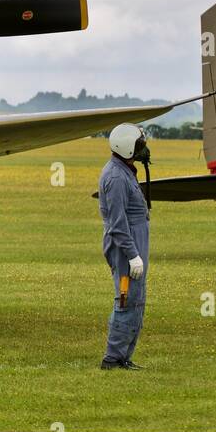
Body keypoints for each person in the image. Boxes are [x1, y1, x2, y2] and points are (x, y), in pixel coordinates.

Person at [98, 123, 151, 370]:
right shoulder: (117, 177)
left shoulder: (125, 170)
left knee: (136, 298)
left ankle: (124, 357)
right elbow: (118, 224)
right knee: (126, 299)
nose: (144, 150)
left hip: (133, 243)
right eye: (140, 146)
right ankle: (112, 358)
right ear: (127, 148)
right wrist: (132, 255)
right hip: (125, 246)